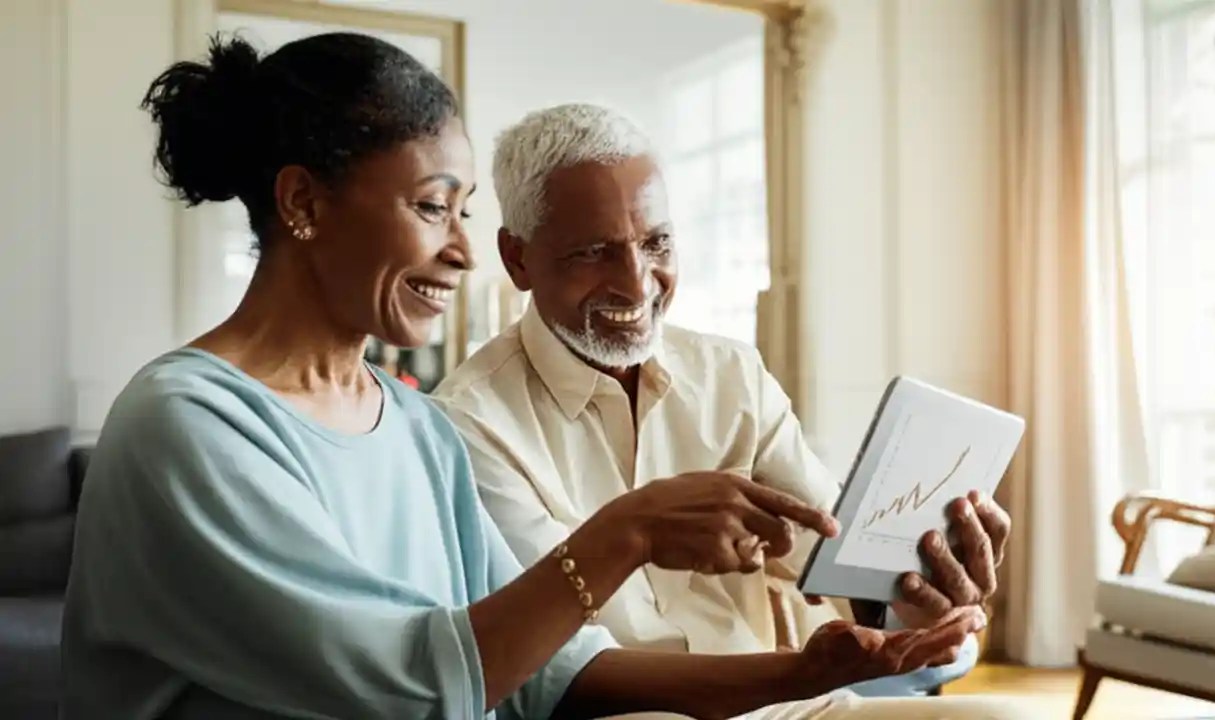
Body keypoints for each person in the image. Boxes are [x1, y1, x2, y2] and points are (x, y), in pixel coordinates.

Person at [60, 33, 1013, 720]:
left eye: (463, 212)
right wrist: (630, 531)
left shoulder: (410, 424)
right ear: (303, 201)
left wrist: (809, 670)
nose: (461, 253)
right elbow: (415, 690)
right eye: (435, 208)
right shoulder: (186, 426)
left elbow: (555, 675)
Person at [433, 104, 1011, 713]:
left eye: (656, 242)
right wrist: (800, 672)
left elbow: (834, 554)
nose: (637, 283)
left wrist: (911, 590)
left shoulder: (733, 376)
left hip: (789, 706)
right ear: (517, 258)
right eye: (594, 252)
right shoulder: (469, 424)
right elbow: (564, 673)